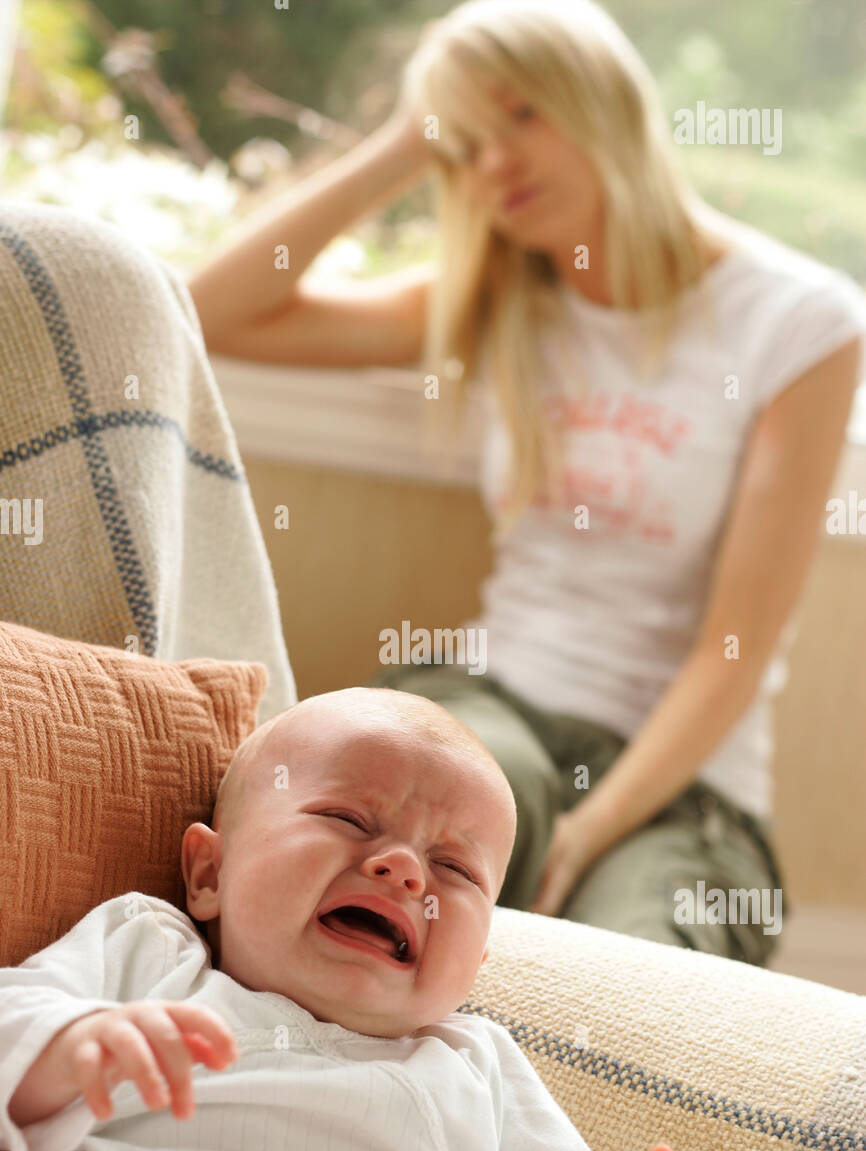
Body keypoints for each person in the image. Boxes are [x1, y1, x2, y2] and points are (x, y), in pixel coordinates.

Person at [187, 0, 866, 960]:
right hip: (496, 707)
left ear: (603, 104)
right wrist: (405, 139)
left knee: (642, 973)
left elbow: (733, 650)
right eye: (464, 144)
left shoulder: (800, 321)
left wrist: (591, 833)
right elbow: (209, 312)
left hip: (687, 782)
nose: (493, 162)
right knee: (357, 872)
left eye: (521, 116)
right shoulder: (502, 297)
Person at [0, 687, 786, 1151]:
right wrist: (68, 1050)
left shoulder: (476, 1072)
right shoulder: (150, 954)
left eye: (453, 870)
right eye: (348, 818)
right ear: (209, 873)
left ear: (475, 962)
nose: (405, 871)